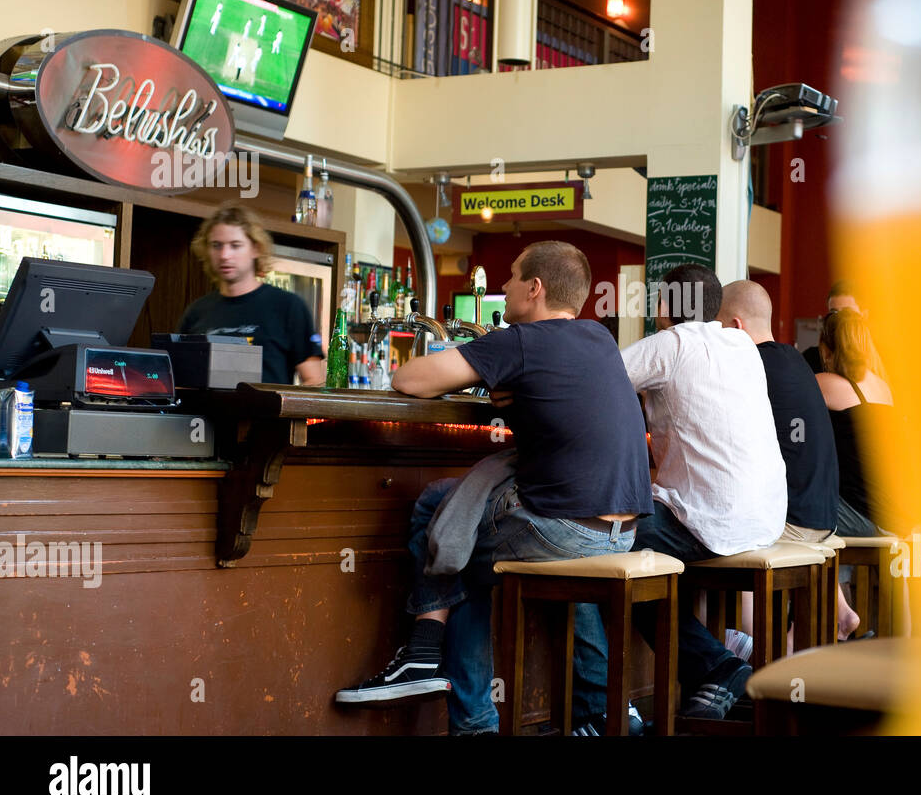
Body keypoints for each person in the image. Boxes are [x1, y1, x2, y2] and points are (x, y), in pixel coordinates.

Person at [334, 241, 654, 736]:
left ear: (535, 288)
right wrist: (503, 381)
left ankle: (449, 689)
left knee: (447, 522)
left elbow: (409, 379)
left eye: (510, 278)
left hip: (563, 531)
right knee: (461, 522)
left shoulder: (522, 340)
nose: (502, 288)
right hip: (622, 531)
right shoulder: (599, 339)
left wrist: (489, 370)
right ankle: (598, 713)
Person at [618, 264, 787, 720]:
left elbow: (597, 384)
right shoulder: (743, 346)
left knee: (602, 548)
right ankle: (714, 682)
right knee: (643, 546)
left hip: (712, 520)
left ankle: (712, 668)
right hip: (768, 519)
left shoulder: (672, 343)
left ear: (664, 307)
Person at [717, 280, 861, 640]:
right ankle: (817, 625)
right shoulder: (794, 359)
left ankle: (755, 651)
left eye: (718, 328)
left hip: (795, 523)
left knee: (722, 534)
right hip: (824, 517)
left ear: (735, 327)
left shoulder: (750, 366)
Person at [179, 205, 324, 385]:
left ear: (255, 248)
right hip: (203, 414)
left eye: (235, 245)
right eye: (216, 245)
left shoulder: (288, 306)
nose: (224, 255)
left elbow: (314, 381)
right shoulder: (197, 312)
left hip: (266, 413)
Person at [815, 308, 896, 539]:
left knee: (791, 511)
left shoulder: (824, 383)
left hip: (861, 515)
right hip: (893, 512)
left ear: (825, 347)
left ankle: (833, 576)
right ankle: (843, 575)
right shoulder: (883, 387)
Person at [802, 280, 863, 374]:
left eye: (847, 313)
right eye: (833, 313)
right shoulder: (811, 358)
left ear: (864, 314)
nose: (839, 319)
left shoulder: (882, 356)